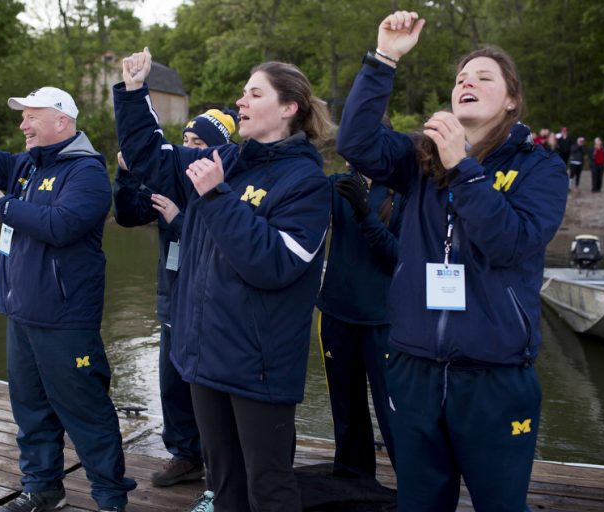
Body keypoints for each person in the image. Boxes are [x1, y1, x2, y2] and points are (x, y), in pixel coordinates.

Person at [336, 11, 567, 512]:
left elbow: (510, 243)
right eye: (462, 77)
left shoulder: (540, 167)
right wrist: (384, 60)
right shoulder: (422, 156)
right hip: (414, 368)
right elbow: (354, 142)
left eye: (484, 78)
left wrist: (463, 166)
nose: (468, 82)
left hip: (495, 377)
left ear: (510, 100)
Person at [114, 49, 332, 512]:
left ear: (289, 107)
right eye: (243, 93)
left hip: (258, 368)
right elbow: (147, 157)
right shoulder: (228, 159)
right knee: (224, 483)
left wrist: (215, 194)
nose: (241, 102)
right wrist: (134, 92)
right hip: (204, 360)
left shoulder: (307, 182)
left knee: (268, 488)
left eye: (255, 94)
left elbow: (273, 264)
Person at [0, 79, 136, 512]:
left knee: (86, 412)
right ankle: (43, 489)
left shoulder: (87, 173)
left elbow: (61, 224)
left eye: (32, 116)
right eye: (23, 116)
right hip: (21, 313)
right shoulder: (25, 166)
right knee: (30, 412)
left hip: (65, 320)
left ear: (61, 120)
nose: (23, 124)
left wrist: (2, 205)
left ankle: (110, 498)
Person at [112, 108, 238, 495]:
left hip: (213, 304)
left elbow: (231, 244)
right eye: (185, 141)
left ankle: (226, 468)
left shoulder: (228, 180)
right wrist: (126, 172)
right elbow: (128, 215)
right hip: (172, 297)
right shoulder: (170, 174)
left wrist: (180, 218)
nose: (188, 150)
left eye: (198, 144)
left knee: (213, 390)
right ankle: (185, 455)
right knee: (172, 382)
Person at [316, 165, 404, 480]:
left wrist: (364, 212)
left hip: (385, 321)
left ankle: (415, 489)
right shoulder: (337, 184)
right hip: (336, 314)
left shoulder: (403, 188)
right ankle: (353, 480)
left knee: (394, 412)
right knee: (346, 411)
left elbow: (399, 258)